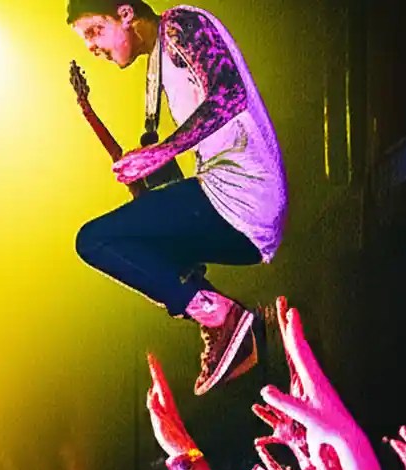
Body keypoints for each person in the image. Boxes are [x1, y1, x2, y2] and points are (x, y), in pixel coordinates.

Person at [67, 0, 287, 395]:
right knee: (132, 244)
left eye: (95, 31)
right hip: (234, 220)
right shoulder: (156, 72)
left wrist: (162, 151)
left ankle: (217, 313)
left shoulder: (180, 24)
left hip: (243, 196)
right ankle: (221, 319)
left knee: (93, 239)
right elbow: (162, 189)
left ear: (126, 13)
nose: (92, 47)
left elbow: (230, 93)